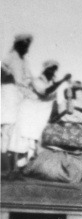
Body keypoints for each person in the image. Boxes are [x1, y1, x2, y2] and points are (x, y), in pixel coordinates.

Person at [7, 59, 70, 169]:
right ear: (45, 70)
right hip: (27, 113)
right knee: (19, 140)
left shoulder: (53, 84)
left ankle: (20, 170)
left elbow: (53, 101)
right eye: (50, 69)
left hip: (39, 117)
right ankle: (13, 170)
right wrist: (63, 80)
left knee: (31, 143)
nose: (52, 72)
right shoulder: (36, 81)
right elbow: (45, 91)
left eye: (54, 70)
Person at [1, 34, 32, 165]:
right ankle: (4, 165)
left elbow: (28, 78)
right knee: (7, 129)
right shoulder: (9, 58)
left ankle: (13, 167)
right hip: (8, 94)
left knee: (17, 131)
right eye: (24, 46)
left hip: (21, 96)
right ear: (18, 45)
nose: (26, 49)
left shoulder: (25, 61)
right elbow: (2, 75)